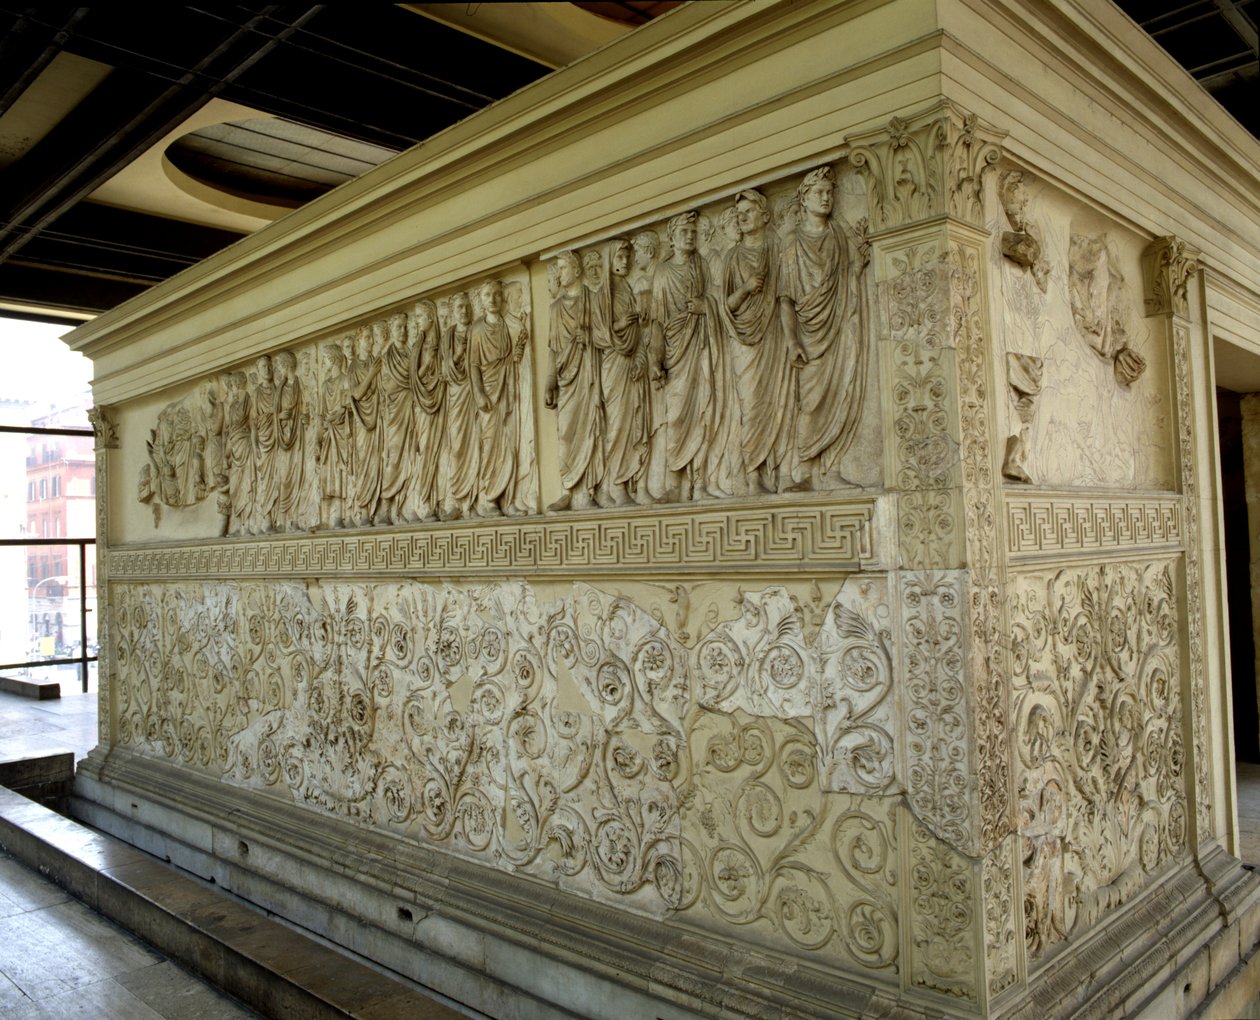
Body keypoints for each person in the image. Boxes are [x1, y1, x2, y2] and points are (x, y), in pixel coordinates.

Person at [779, 165, 867, 488]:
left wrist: (858, 265)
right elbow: (786, 299)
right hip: (808, 334)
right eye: (819, 192)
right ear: (804, 199)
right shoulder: (792, 243)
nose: (826, 198)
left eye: (829, 192)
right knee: (811, 400)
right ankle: (804, 471)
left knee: (841, 390)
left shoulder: (839, 235)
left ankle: (830, 469)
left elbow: (846, 280)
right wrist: (792, 341)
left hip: (838, 327)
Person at [721, 189, 801, 494]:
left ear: (765, 216)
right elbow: (725, 306)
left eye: (749, 211)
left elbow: (786, 297)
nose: (742, 218)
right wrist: (744, 289)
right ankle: (753, 474)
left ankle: (781, 472)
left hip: (774, 335)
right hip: (743, 340)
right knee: (752, 404)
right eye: (739, 214)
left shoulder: (777, 249)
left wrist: (792, 341)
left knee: (781, 399)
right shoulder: (732, 257)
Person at [647, 210, 720, 501]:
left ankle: (700, 482)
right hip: (675, 353)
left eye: (693, 232)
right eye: (684, 232)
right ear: (672, 238)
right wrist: (655, 360)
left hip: (700, 347)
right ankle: (675, 482)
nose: (690, 237)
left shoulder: (702, 265)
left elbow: (717, 301)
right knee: (676, 415)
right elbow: (657, 322)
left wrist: (706, 306)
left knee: (704, 412)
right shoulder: (663, 273)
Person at [594, 238, 651, 505]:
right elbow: (597, 334)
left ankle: (631, 482)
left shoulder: (629, 289)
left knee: (634, 421)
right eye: (619, 257)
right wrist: (618, 325)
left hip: (631, 364)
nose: (625, 261)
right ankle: (616, 485)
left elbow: (638, 332)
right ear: (609, 260)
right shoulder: (602, 295)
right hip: (613, 364)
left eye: (628, 257)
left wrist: (640, 358)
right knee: (617, 424)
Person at [546, 251, 603, 511]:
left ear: (576, 270)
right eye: (558, 269)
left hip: (588, 372)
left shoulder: (592, 299)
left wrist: (590, 338)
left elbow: (606, 336)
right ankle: (568, 487)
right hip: (565, 378)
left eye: (563, 268)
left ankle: (589, 491)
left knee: (590, 428)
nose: (560, 274)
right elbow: (552, 348)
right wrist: (549, 381)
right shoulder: (555, 308)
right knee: (566, 432)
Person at [469, 279, 527, 516]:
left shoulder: (507, 325)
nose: (492, 299)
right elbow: (473, 364)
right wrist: (479, 393)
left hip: (507, 390)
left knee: (509, 443)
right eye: (487, 295)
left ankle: (509, 498)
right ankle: (490, 498)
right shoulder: (477, 329)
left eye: (496, 294)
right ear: (481, 301)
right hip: (489, 395)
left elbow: (511, 357)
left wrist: (516, 355)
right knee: (491, 443)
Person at [440, 292, 478, 520]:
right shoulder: (448, 337)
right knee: (457, 445)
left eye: (467, 306)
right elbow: (444, 372)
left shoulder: (478, 330)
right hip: (456, 396)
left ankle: (476, 500)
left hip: (477, 394)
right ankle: (455, 498)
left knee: (478, 444)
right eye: (459, 308)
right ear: (453, 312)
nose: (464, 311)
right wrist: (459, 353)